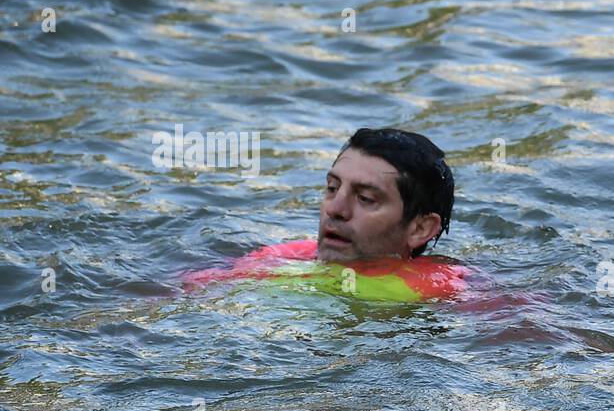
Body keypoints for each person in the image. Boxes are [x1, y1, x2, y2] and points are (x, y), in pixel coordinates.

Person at [184, 127, 467, 301]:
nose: (335, 209)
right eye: (332, 188)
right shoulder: (282, 258)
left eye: (366, 198)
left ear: (420, 228)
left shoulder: (440, 291)